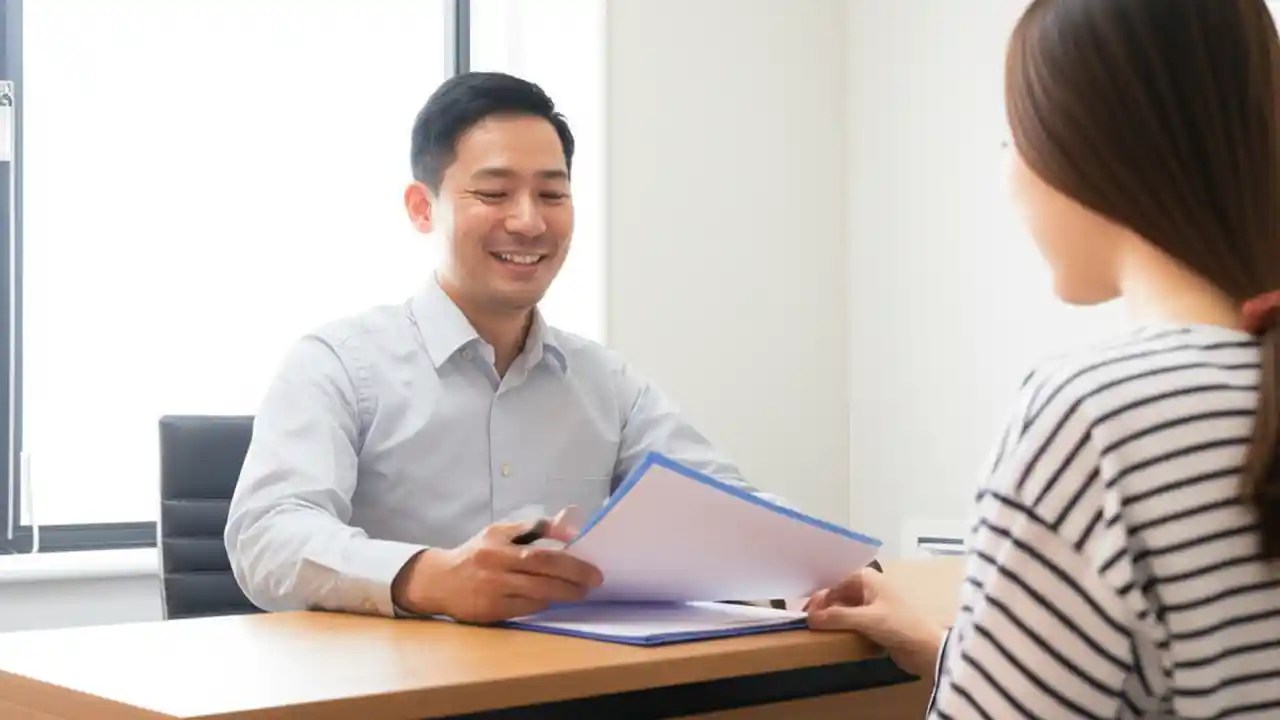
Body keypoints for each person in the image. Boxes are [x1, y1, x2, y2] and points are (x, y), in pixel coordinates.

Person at [806, 1, 1280, 717]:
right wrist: (950, 651)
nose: (1008, 169)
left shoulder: (1096, 415)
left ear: (1086, 148)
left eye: (1013, 138)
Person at [224, 72, 777, 624]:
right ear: (422, 208)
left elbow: (725, 508)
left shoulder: (607, 383)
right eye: (493, 193)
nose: (529, 221)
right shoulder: (339, 363)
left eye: (552, 194)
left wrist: (825, 574)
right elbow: (266, 533)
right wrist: (427, 577)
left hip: (571, 686)